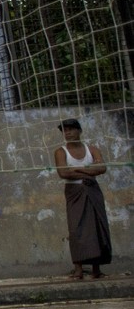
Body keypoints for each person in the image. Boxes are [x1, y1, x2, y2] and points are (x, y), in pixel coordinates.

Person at [53, 118, 112, 279]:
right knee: (76, 228)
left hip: (92, 189)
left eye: (71, 129)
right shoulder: (61, 151)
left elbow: (102, 168)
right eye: (65, 130)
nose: (68, 133)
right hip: (74, 191)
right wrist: (89, 170)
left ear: (79, 130)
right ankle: (78, 269)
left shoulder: (91, 149)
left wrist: (79, 168)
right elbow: (64, 173)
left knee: (97, 226)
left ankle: (96, 269)